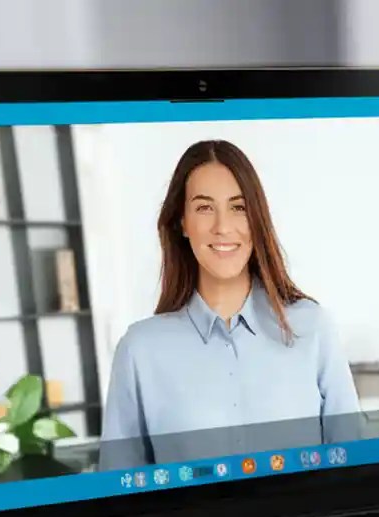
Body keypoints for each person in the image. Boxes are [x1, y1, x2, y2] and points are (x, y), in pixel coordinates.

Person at [100, 139, 360, 468]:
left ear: (256, 218)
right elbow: (120, 490)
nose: (223, 227)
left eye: (238, 207)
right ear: (182, 222)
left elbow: (354, 464)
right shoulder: (139, 351)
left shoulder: (312, 328)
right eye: (204, 207)